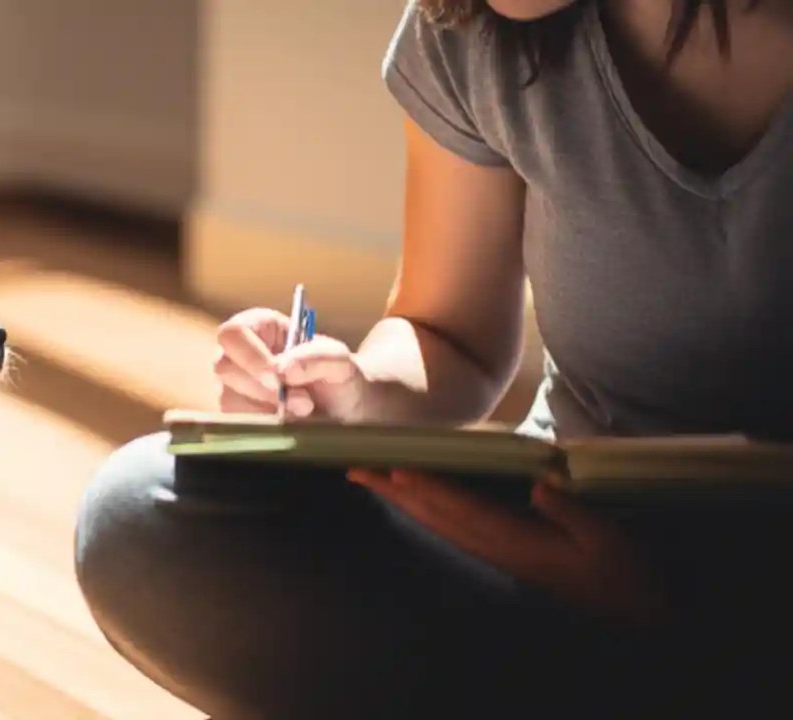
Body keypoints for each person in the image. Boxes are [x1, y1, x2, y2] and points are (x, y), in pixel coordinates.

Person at [74, 1, 793, 717]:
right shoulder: (470, 25)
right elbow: (447, 332)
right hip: (555, 542)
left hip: (747, 582)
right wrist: (355, 393)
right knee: (138, 513)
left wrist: (662, 603)